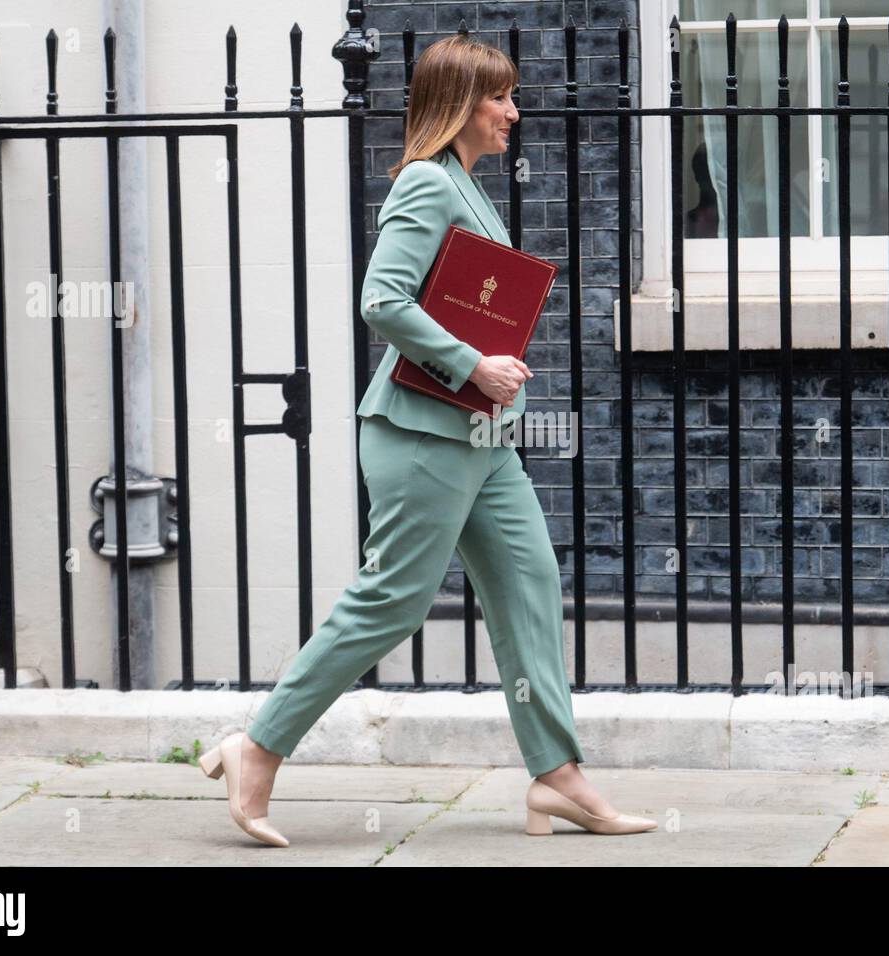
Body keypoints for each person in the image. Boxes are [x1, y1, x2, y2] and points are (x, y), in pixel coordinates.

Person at [198, 34, 656, 846]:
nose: (514, 111)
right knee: (394, 601)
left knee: (529, 586)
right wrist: (475, 362)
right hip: (421, 434)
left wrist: (494, 369)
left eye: (512, 96)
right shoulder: (423, 182)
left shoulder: (465, 188)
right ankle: (257, 748)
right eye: (500, 97)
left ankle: (556, 776)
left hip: (482, 437)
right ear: (458, 103)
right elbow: (382, 299)